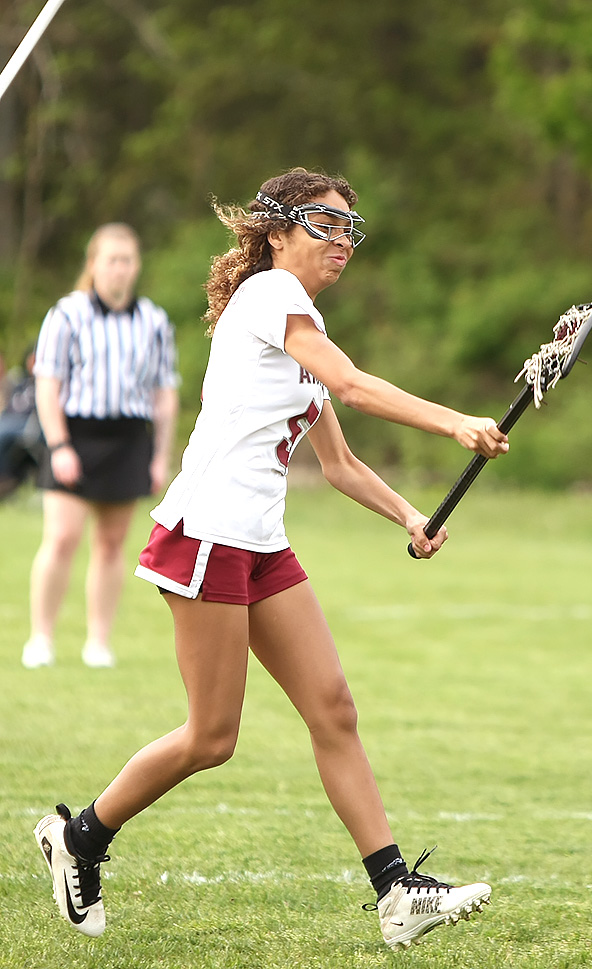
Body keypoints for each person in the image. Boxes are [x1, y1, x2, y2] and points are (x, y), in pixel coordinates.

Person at [32, 168, 509, 950]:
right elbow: (353, 387)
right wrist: (456, 423)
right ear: (278, 231)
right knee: (211, 737)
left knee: (334, 707)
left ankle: (395, 891)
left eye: (351, 228)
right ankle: (79, 837)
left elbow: (341, 463)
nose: (341, 240)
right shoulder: (270, 298)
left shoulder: (303, 333)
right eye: (324, 223)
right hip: (207, 535)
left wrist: (413, 515)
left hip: (260, 543)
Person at [21, 224, 180, 669]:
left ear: (136, 267)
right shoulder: (66, 315)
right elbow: (47, 385)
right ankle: (41, 638)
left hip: (128, 437)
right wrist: (60, 446)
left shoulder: (154, 320)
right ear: (93, 264)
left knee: (112, 544)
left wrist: (160, 456)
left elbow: (164, 394)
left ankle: (98, 642)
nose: (119, 269)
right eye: (111, 259)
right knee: (62, 537)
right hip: (76, 433)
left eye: (127, 260)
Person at [0, 345, 44, 500]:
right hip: (9, 423)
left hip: (29, 426)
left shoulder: (44, 385)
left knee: (2, 434)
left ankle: (5, 480)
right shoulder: (21, 382)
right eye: (31, 360)